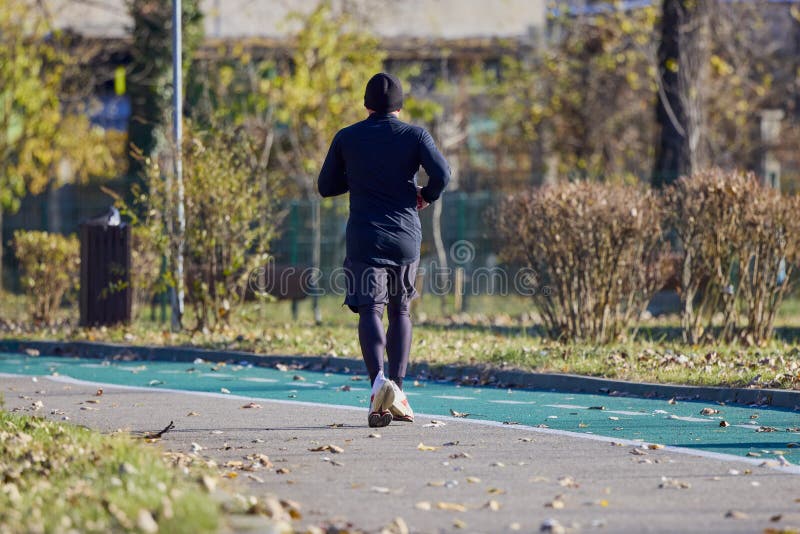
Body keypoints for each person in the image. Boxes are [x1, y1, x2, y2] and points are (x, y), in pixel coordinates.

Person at [318, 72, 450, 427]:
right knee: (401, 311)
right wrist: (426, 194)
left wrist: (360, 176)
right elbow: (443, 174)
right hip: (405, 236)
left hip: (365, 237)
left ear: (366, 104)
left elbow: (325, 186)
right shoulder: (414, 135)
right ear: (400, 106)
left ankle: (379, 383)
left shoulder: (347, 137)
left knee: (370, 311)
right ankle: (398, 390)